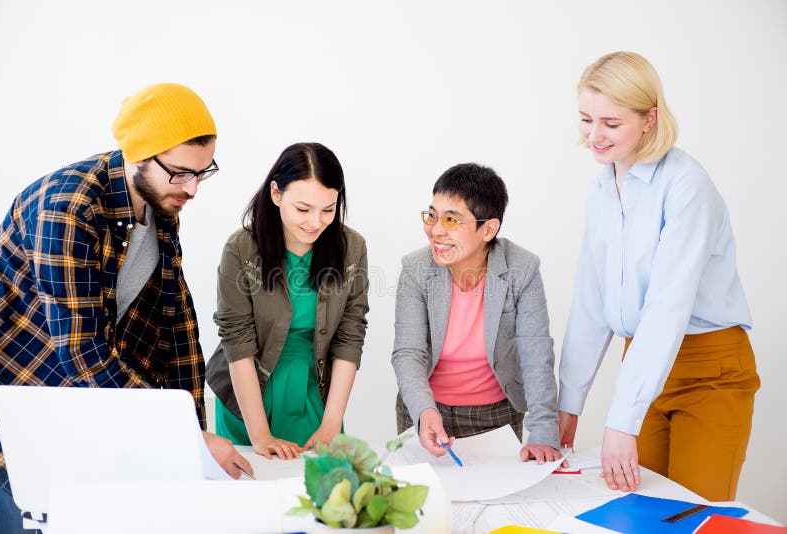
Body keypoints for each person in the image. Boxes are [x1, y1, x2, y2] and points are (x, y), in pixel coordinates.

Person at [0, 83, 252, 534]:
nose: (192, 189)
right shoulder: (67, 205)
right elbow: (81, 349)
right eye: (181, 173)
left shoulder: (161, 207)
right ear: (140, 153)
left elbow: (178, 328)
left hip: (92, 414)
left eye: (202, 173)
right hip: (20, 409)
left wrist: (196, 442)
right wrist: (187, 437)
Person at [558, 51, 760, 500]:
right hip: (644, 367)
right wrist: (569, 402)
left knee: (691, 517)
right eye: (587, 119)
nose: (594, 135)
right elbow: (591, 303)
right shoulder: (601, 189)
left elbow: (667, 308)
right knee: (634, 512)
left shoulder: (686, 185)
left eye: (611, 123)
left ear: (649, 118)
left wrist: (620, 421)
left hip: (710, 371)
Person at [206, 142, 368, 459]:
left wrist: (332, 422)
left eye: (328, 210)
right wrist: (260, 435)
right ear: (276, 194)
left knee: (318, 496)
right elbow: (236, 341)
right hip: (248, 396)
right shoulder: (241, 248)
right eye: (303, 209)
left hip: (315, 392)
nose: (316, 222)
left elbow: (351, 334)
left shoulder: (351, 247)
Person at [391, 163, 562, 463]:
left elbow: (536, 353)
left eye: (452, 220)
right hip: (427, 412)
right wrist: (423, 410)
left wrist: (544, 432)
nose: (436, 230)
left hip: (496, 417)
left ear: (489, 229)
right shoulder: (415, 270)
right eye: (432, 215)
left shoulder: (522, 270)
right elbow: (408, 353)